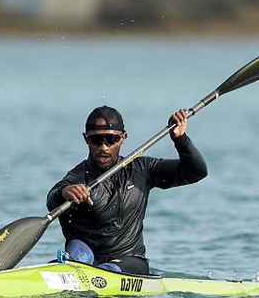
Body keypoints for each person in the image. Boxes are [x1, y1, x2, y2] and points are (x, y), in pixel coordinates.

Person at [45, 105, 208, 275]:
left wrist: (180, 140)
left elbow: (196, 172)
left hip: (129, 261)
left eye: (111, 139)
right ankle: (66, 269)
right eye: (97, 140)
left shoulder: (143, 169)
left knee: (109, 270)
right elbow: (52, 200)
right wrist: (64, 192)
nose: (104, 147)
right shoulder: (77, 178)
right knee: (77, 247)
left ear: (123, 138)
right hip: (85, 258)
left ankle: (99, 273)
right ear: (86, 139)